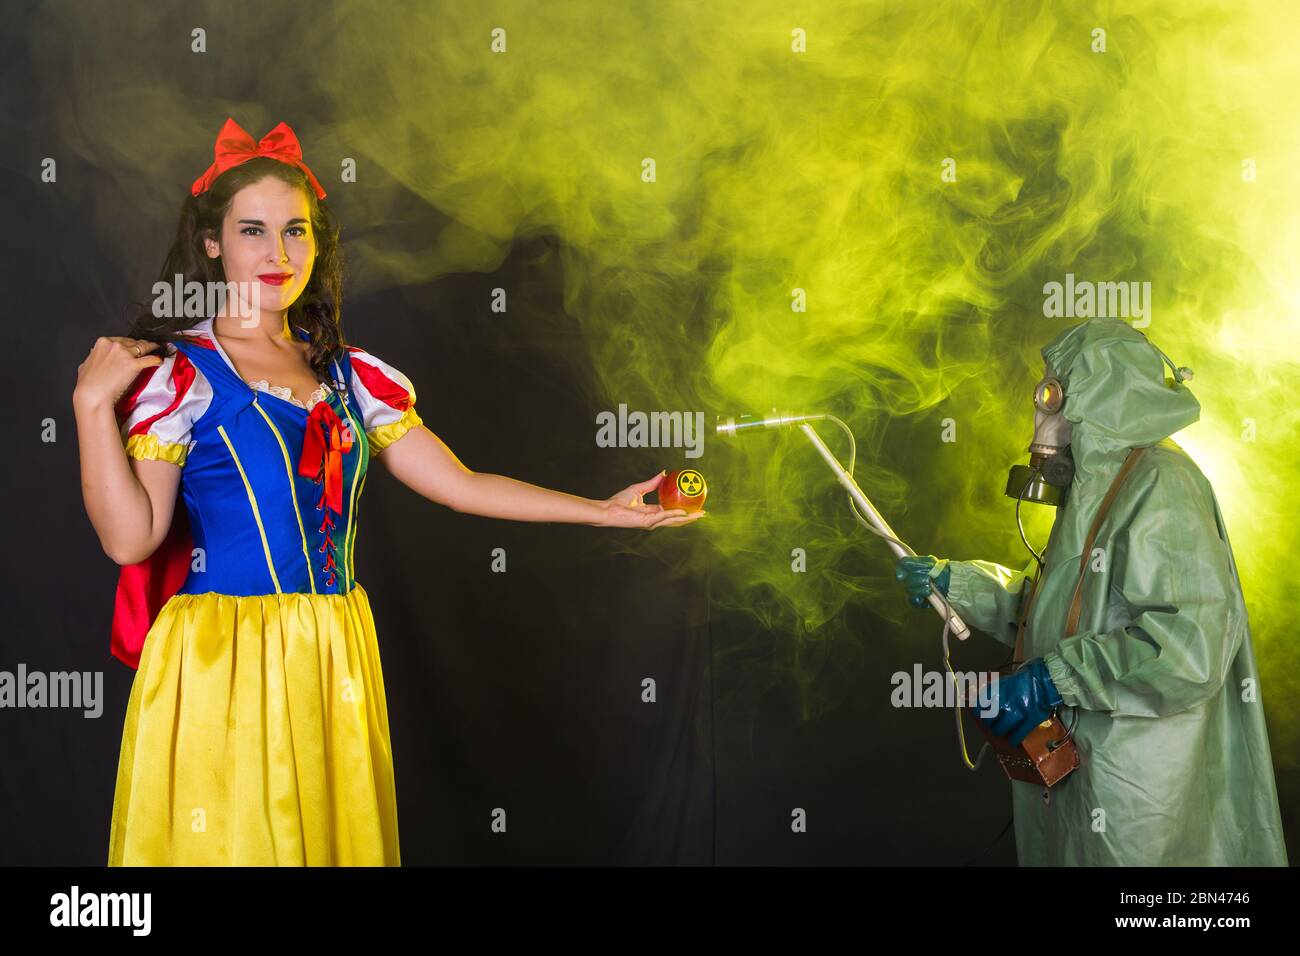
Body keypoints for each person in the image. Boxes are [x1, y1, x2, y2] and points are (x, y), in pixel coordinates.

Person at [74, 118, 704, 866]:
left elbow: (462, 484)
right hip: (227, 657)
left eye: (296, 232)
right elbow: (130, 539)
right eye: (253, 232)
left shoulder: (349, 373)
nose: (278, 255)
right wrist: (89, 409)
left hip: (334, 647)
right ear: (212, 244)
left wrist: (603, 512)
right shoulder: (181, 374)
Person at [895, 317, 1288, 866]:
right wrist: (957, 583)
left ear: (1101, 397)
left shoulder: (1161, 484)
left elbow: (1188, 647)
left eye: (1053, 395)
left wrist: (1052, 678)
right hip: (1080, 785)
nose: (1039, 411)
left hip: (1140, 794)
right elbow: (1059, 613)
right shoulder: (1093, 487)